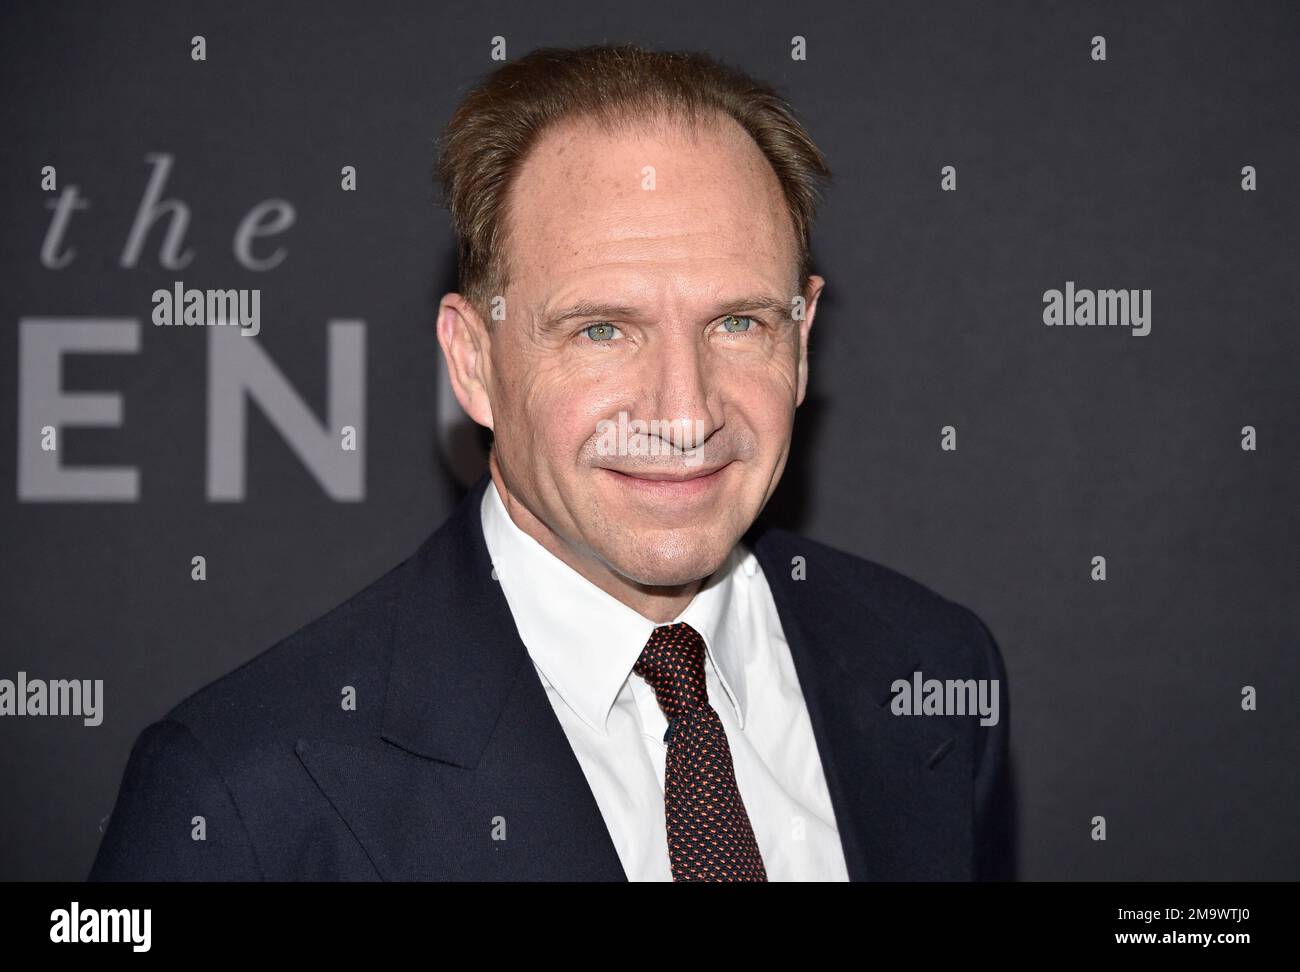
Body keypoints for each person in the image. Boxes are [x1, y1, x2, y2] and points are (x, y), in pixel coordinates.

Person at [90, 42, 1012, 882]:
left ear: (803, 340)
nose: (684, 412)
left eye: (738, 322)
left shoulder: (930, 667)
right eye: (602, 329)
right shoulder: (245, 793)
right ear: (474, 361)